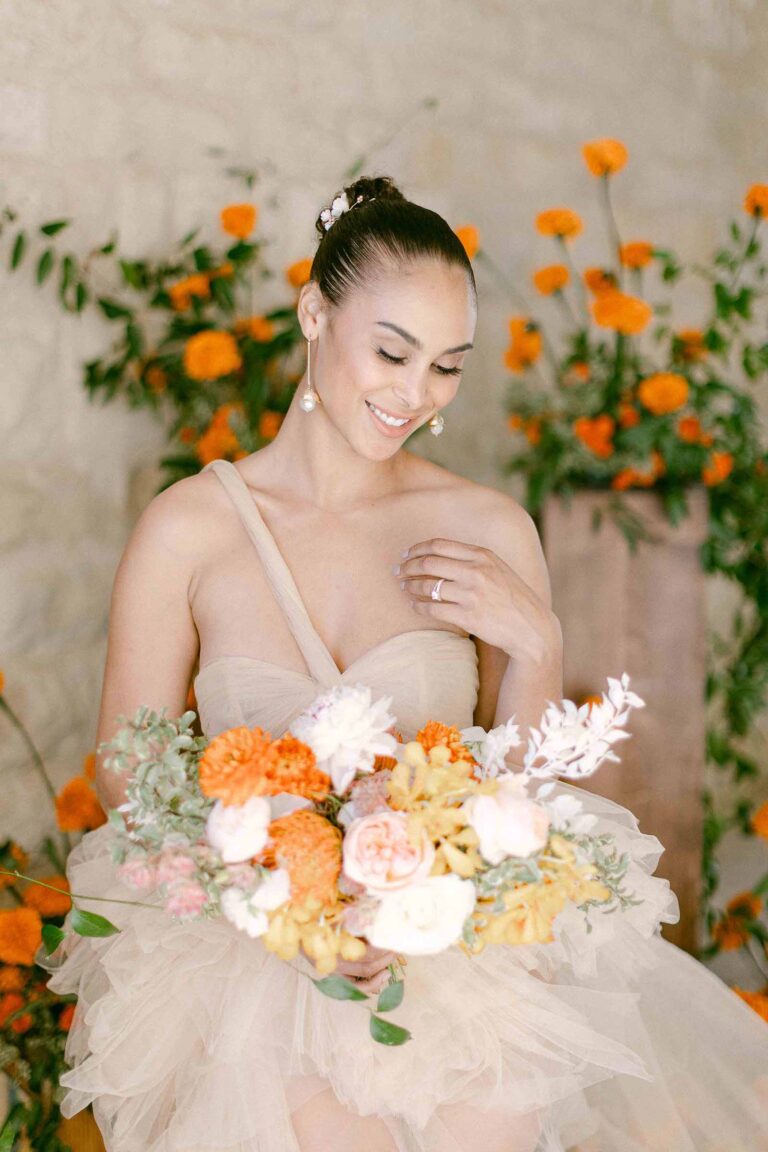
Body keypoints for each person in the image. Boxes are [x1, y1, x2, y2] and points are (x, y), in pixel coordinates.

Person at [39, 176, 768, 1152]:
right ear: (312, 312)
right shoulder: (189, 530)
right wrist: (277, 903)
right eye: (392, 352)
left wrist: (537, 645)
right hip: (246, 950)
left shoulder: (485, 527)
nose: (415, 395)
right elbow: (125, 768)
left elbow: (521, 796)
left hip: (450, 946)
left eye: (446, 366)